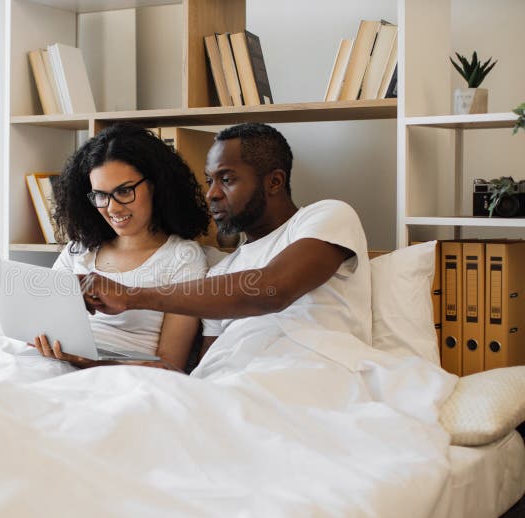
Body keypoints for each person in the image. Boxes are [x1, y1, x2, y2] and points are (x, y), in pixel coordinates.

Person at [78, 122, 372, 375]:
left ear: (275, 182)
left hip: (312, 374)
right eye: (209, 181)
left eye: (227, 179)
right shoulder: (220, 273)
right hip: (225, 388)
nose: (211, 194)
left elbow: (272, 290)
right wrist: (92, 361)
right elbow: (200, 369)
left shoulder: (327, 216)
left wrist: (131, 296)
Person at [33, 123, 211, 372]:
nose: (112, 208)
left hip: (118, 377)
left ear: (155, 185)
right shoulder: (79, 249)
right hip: (48, 364)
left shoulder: (183, 257)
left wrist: (91, 360)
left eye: (125, 191)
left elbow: (170, 366)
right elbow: (42, 323)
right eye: (100, 195)